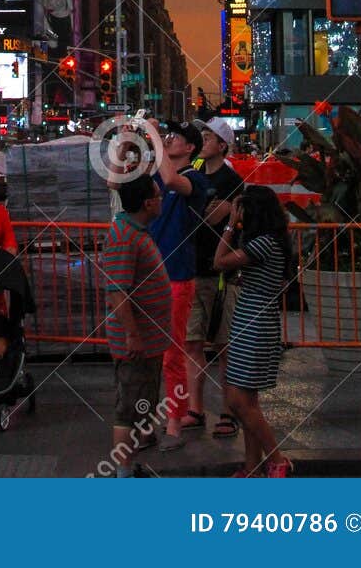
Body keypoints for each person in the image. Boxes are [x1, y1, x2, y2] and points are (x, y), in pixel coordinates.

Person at [215, 184, 292, 478]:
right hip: (255, 320)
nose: (240, 213)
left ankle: (276, 458)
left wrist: (230, 226)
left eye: (242, 208)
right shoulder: (274, 240)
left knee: (237, 400)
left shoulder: (263, 243)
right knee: (248, 402)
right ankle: (252, 467)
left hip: (255, 324)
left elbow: (219, 262)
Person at [103, 173, 172, 477]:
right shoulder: (123, 237)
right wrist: (133, 334)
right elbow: (117, 291)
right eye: (158, 195)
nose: (162, 200)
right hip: (137, 343)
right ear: (147, 203)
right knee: (128, 410)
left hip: (149, 340)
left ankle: (129, 466)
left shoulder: (136, 231)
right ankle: (123, 474)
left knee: (139, 405)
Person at [148, 120, 208, 447]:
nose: (169, 139)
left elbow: (172, 179)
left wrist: (151, 131)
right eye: (167, 135)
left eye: (176, 137)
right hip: (150, 274)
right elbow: (118, 183)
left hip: (176, 275)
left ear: (189, 148)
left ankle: (175, 420)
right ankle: (145, 423)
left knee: (173, 352)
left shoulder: (194, 179)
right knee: (145, 352)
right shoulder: (158, 174)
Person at [185, 117, 245, 440]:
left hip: (220, 273)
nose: (204, 140)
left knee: (224, 346)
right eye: (203, 135)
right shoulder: (192, 177)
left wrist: (209, 213)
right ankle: (195, 409)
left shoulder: (231, 180)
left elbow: (219, 217)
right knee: (192, 342)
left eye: (209, 136)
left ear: (222, 145)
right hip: (194, 269)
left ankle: (227, 411)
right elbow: (200, 215)